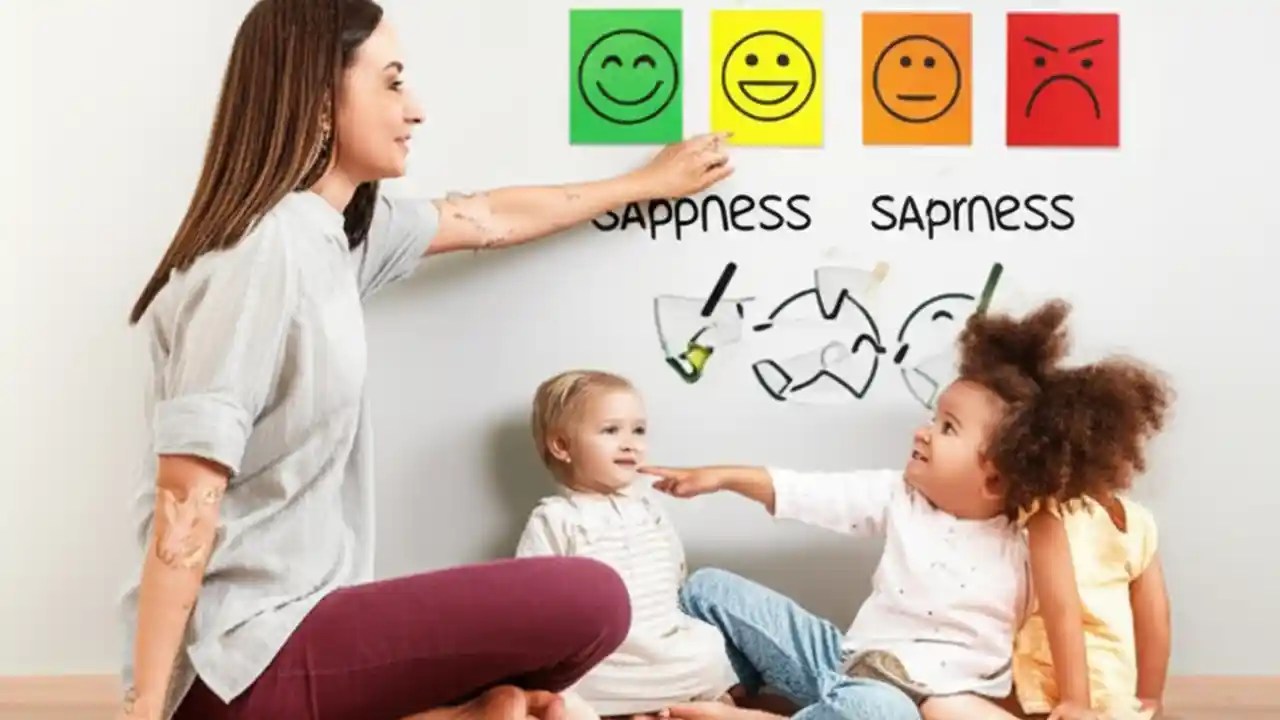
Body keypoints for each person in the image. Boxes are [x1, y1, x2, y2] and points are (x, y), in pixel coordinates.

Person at [115, 0, 734, 718]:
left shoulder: (335, 240)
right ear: (321, 97)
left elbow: (491, 217)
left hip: (305, 623)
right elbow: (185, 502)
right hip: (238, 661)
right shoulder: (262, 256)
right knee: (587, 594)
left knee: (590, 606)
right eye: (392, 82)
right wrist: (145, 707)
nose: (416, 109)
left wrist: (646, 184)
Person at [640, 299, 1172, 720]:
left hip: (914, 702)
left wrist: (1075, 702)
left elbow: (1063, 613)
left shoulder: (1031, 530)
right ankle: (732, 692)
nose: (922, 432)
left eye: (947, 428)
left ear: (996, 472)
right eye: (932, 417)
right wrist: (723, 477)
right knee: (709, 589)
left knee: (877, 711)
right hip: (842, 661)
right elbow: (808, 492)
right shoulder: (899, 496)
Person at [515, 370, 738, 718]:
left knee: (708, 646)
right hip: (604, 660)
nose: (630, 443)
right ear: (562, 446)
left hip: (664, 643)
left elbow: (676, 570)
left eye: (638, 430)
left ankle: (683, 704)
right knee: (559, 686)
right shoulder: (557, 517)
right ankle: (652, 708)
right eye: (610, 430)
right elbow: (530, 599)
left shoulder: (649, 508)